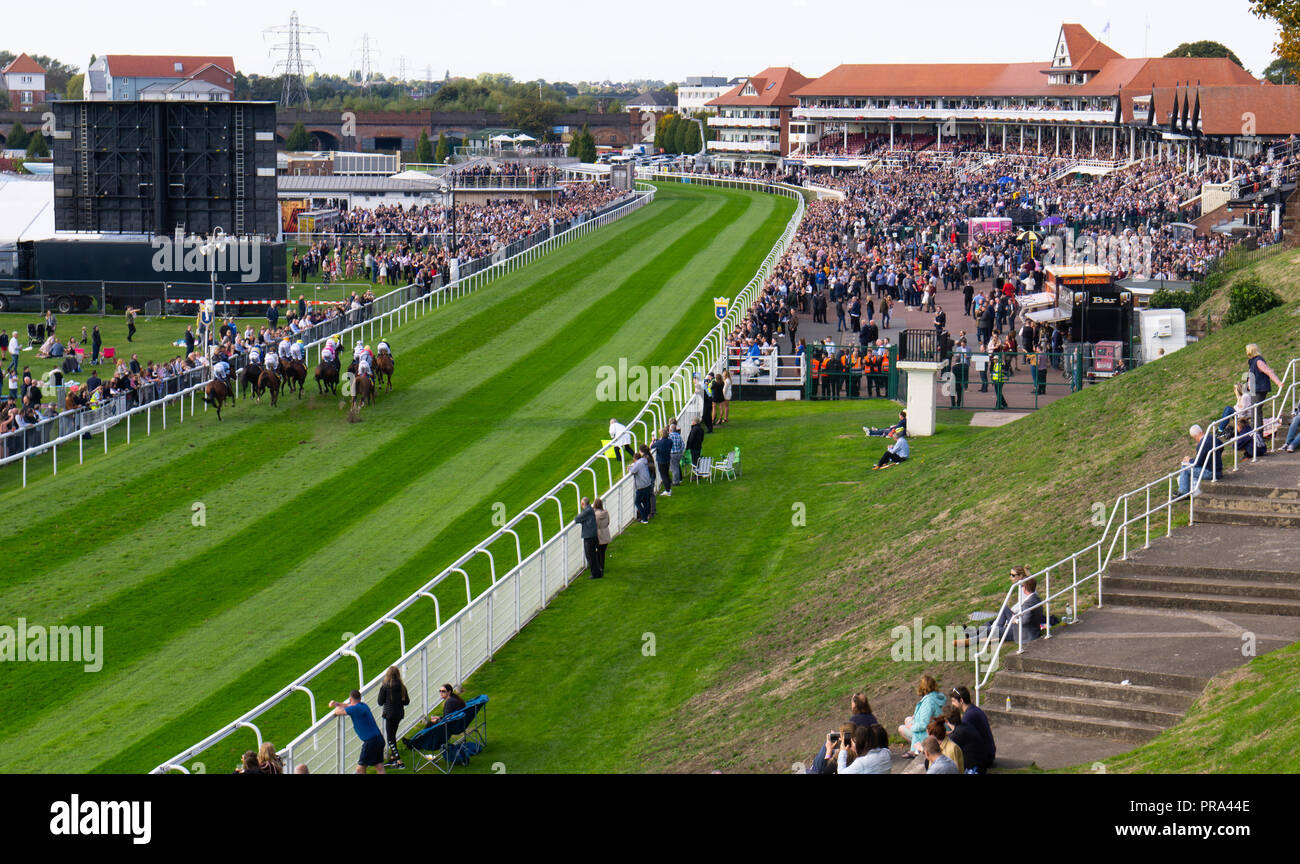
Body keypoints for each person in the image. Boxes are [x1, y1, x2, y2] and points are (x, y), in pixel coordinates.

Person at [329, 690, 386, 774]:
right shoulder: (363, 705)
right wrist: (337, 703)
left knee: (360, 769)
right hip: (379, 739)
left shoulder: (354, 709)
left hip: (371, 742)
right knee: (379, 766)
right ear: (360, 698)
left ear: (350, 699)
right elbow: (347, 705)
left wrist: (336, 707)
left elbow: (337, 712)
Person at [898, 674, 946, 756]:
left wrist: (912, 727)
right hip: (939, 727)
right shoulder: (937, 696)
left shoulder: (928, 702)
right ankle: (917, 746)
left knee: (901, 728)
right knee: (908, 719)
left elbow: (923, 724)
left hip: (931, 732)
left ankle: (918, 749)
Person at [377, 666, 410, 768]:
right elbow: (406, 702)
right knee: (392, 735)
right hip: (399, 714)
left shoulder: (385, 686)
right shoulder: (402, 686)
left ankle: (399, 761)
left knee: (390, 737)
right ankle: (393, 759)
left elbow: (380, 702)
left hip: (389, 714)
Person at [1178, 424, 1221, 496]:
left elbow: (1198, 463)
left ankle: (1183, 492)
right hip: (1218, 469)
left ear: (1195, 436)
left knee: (1185, 467)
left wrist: (1189, 460)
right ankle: (1187, 489)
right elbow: (1221, 446)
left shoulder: (1202, 444)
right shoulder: (1212, 438)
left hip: (1211, 472)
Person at [1245, 343, 1282, 428]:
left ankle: (1257, 433)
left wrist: (1278, 382)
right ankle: (1254, 432)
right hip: (1254, 390)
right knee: (1254, 411)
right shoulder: (1252, 362)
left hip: (1259, 389)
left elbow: (1269, 371)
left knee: (1256, 411)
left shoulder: (1258, 361)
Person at [575, 497, 603, 578]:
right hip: (591, 535)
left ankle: (595, 573)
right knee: (592, 555)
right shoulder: (589, 509)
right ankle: (597, 572)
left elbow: (577, 519)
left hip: (589, 536)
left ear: (583, 504)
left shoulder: (587, 511)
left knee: (590, 555)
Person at [629, 449, 654, 523]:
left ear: (634, 459)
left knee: (637, 502)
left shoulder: (638, 464)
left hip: (642, 486)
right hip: (648, 484)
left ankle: (644, 518)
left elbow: (632, 471)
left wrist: (630, 468)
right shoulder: (644, 461)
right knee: (645, 501)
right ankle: (646, 515)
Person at [651, 427, 674, 497]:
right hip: (667, 459)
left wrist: (653, 440)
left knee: (663, 476)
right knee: (666, 474)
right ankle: (669, 488)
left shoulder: (659, 443)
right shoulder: (670, 441)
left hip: (661, 461)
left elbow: (651, 446)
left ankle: (668, 490)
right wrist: (657, 440)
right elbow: (663, 443)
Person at [593, 497, 611, 578]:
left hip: (599, 534)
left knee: (597, 552)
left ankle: (599, 568)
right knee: (602, 552)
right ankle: (601, 567)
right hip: (606, 533)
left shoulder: (595, 515)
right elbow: (608, 522)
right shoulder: (606, 513)